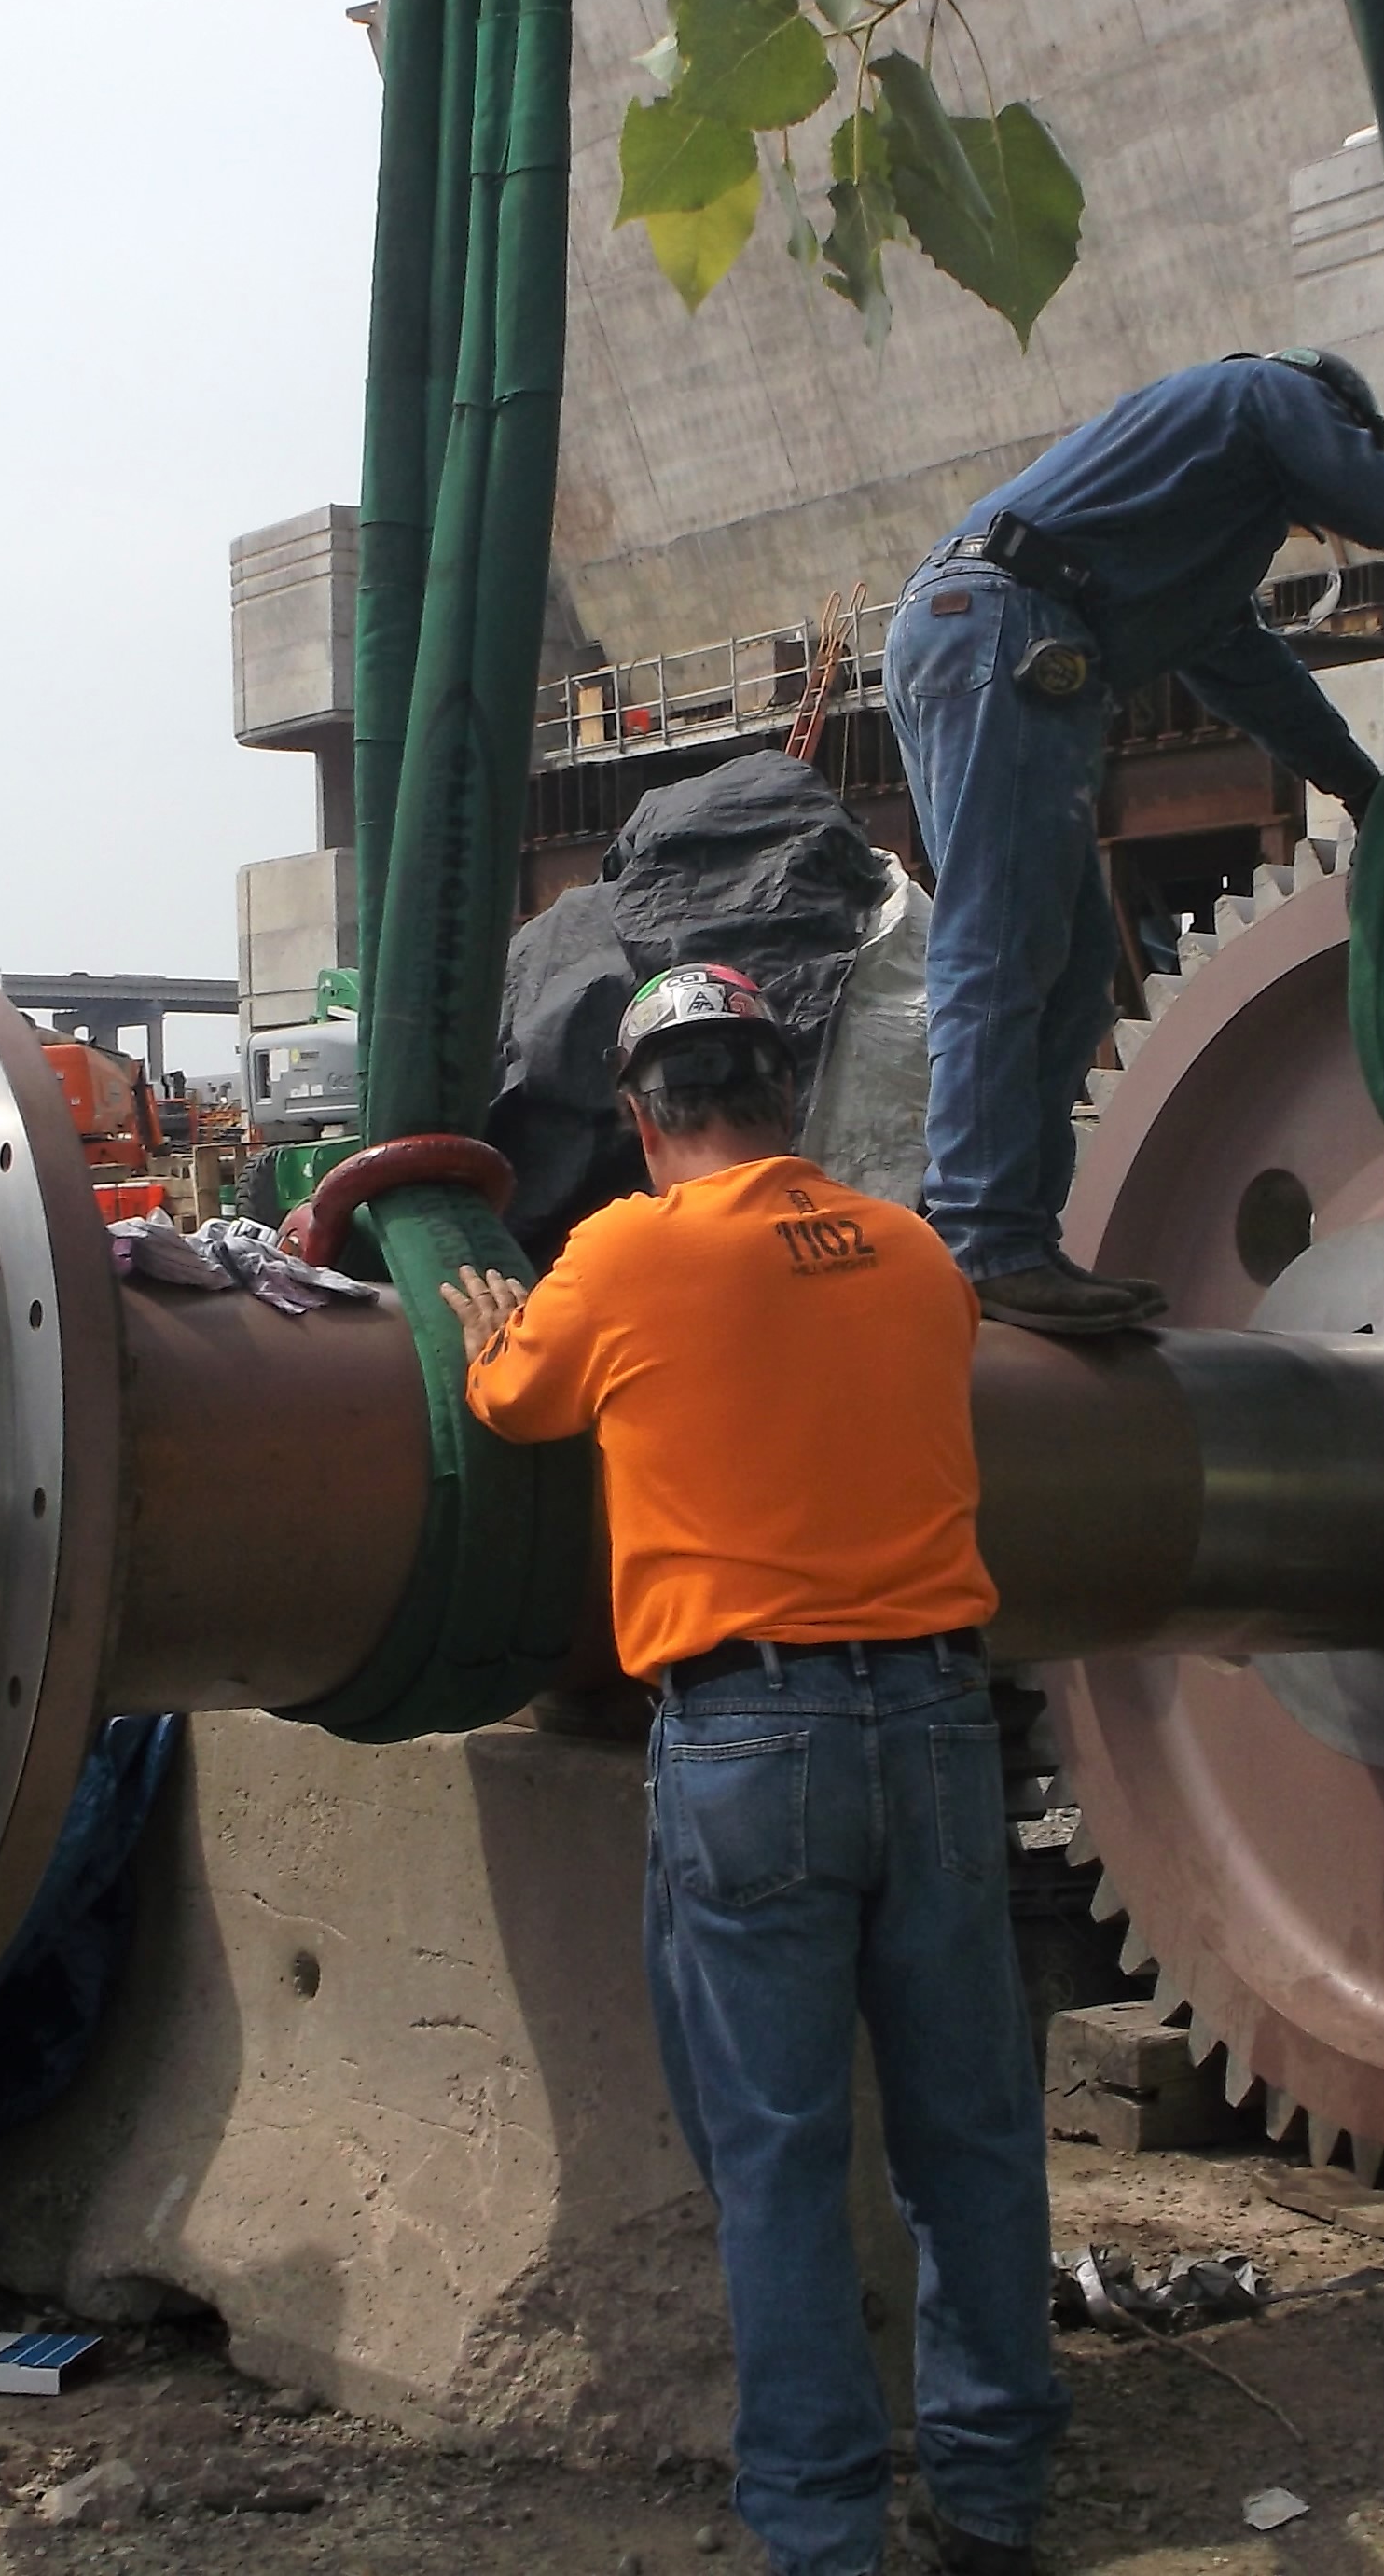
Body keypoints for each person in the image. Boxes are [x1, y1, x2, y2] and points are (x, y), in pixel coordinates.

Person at [441, 964, 1062, 2576]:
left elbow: (511, 1403)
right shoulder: (919, 1254)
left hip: (749, 1740)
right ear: (786, 1102)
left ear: (644, 1123)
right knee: (973, 2138)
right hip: (938, 1730)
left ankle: (821, 2532)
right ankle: (993, 2497)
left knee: (778, 2161)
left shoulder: (626, 1255)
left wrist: (493, 1334)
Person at [882, 349, 1384, 1331]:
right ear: (1336, 418)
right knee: (1001, 945)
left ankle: (1015, 1240)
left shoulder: (1198, 521)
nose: (1317, 516)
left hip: (983, 629)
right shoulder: (1270, 394)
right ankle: (984, 1241)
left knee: (1074, 963)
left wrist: (1364, 788)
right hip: (1002, 627)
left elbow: (1253, 675)